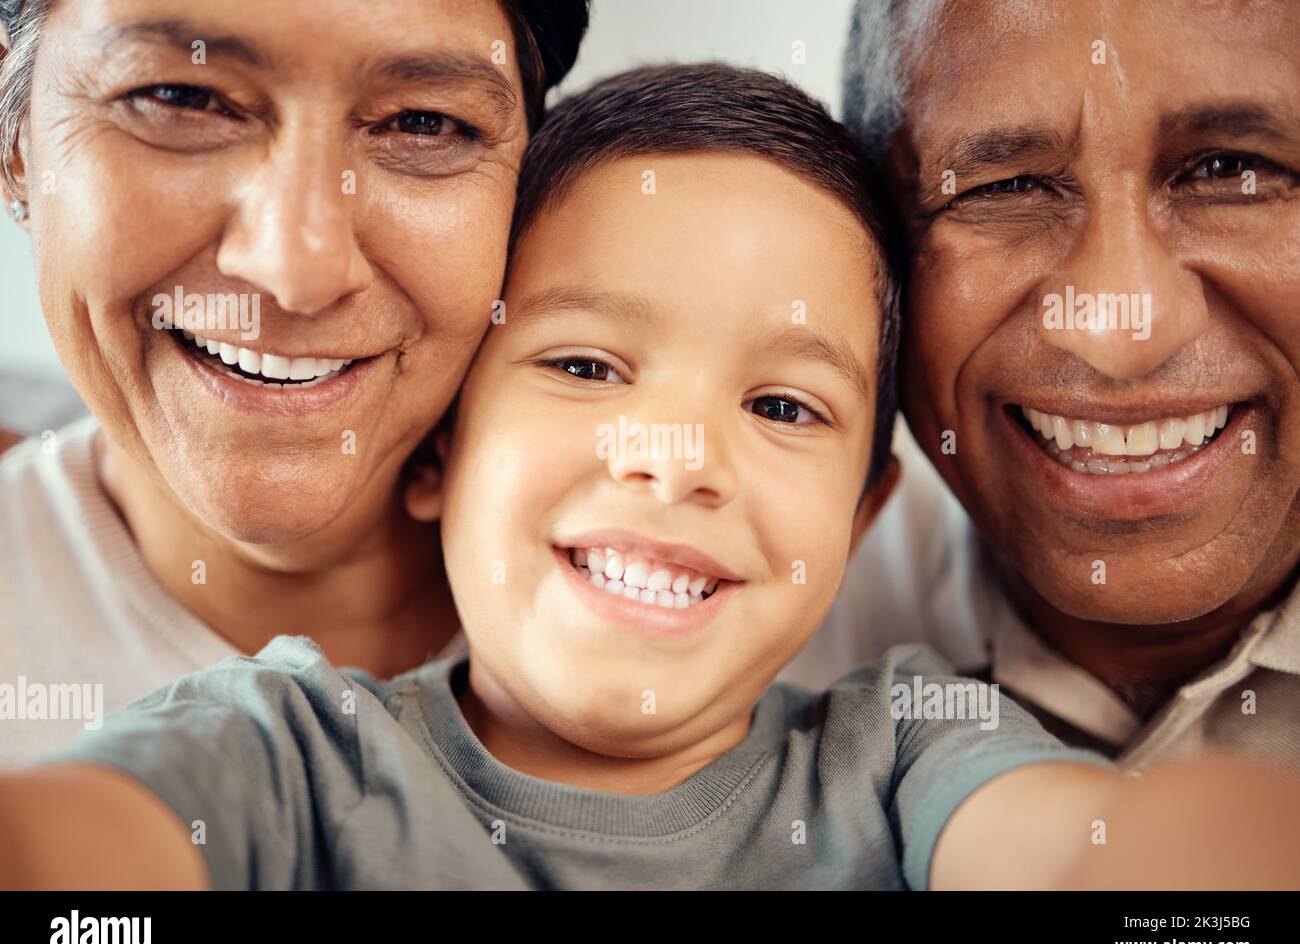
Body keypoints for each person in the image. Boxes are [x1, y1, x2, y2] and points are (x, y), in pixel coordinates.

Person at [5, 64, 1300, 891]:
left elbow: (1069, 854)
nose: (677, 460)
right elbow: (94, 843)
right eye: (584, 367)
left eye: (783, 404)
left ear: (861, 518)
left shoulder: (904, 748)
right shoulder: (284, 750)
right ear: (436, 454)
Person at [0, 0, 588, 764]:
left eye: (422, 123)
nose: (298, 272)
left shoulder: (767, 659)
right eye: (182, 98)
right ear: (15, 141)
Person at [795, 0, 1300, 775]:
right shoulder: (741, 652)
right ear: (875, 249)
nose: (1121, 332)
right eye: (1007, 186)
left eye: (1229, 171)